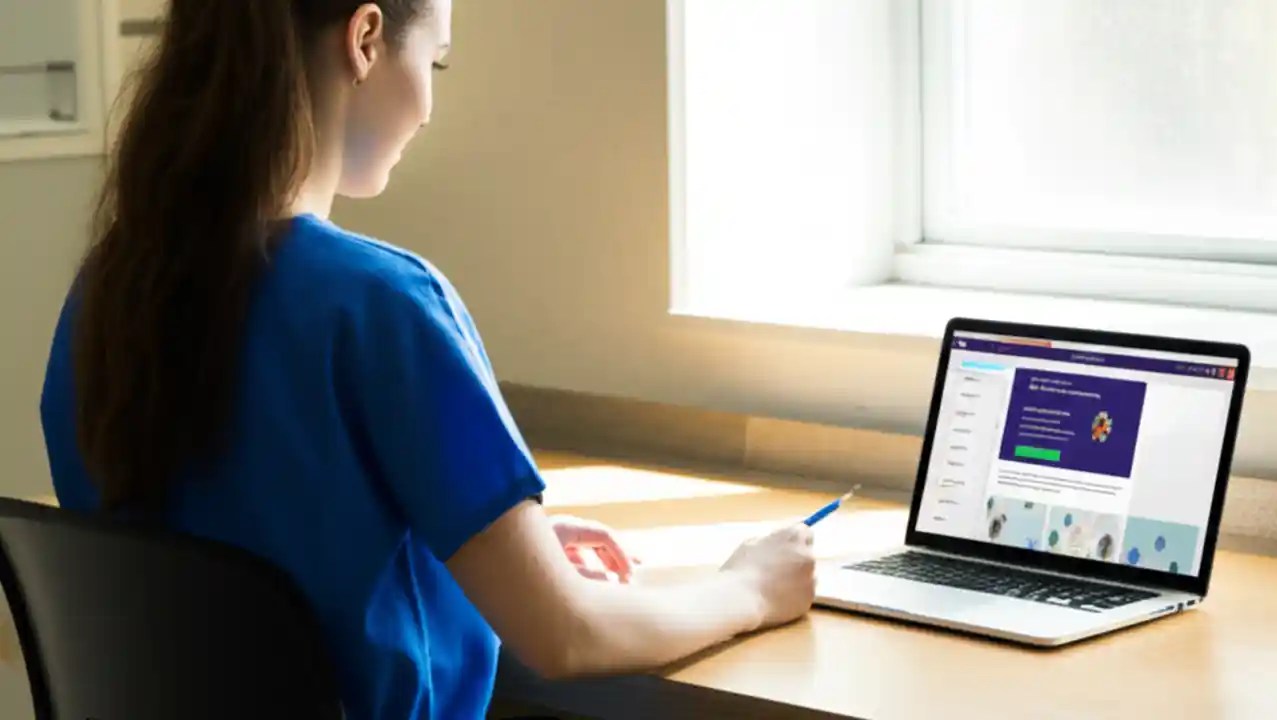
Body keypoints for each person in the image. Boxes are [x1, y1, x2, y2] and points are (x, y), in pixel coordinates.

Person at [39, 1, 817, 718]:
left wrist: (495, 543)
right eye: (436, 62)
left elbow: (244, 549)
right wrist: (748, 588)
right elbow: (567, 636)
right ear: (365, 38)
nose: (430, 103)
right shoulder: (381, 305)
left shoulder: (108, 295)